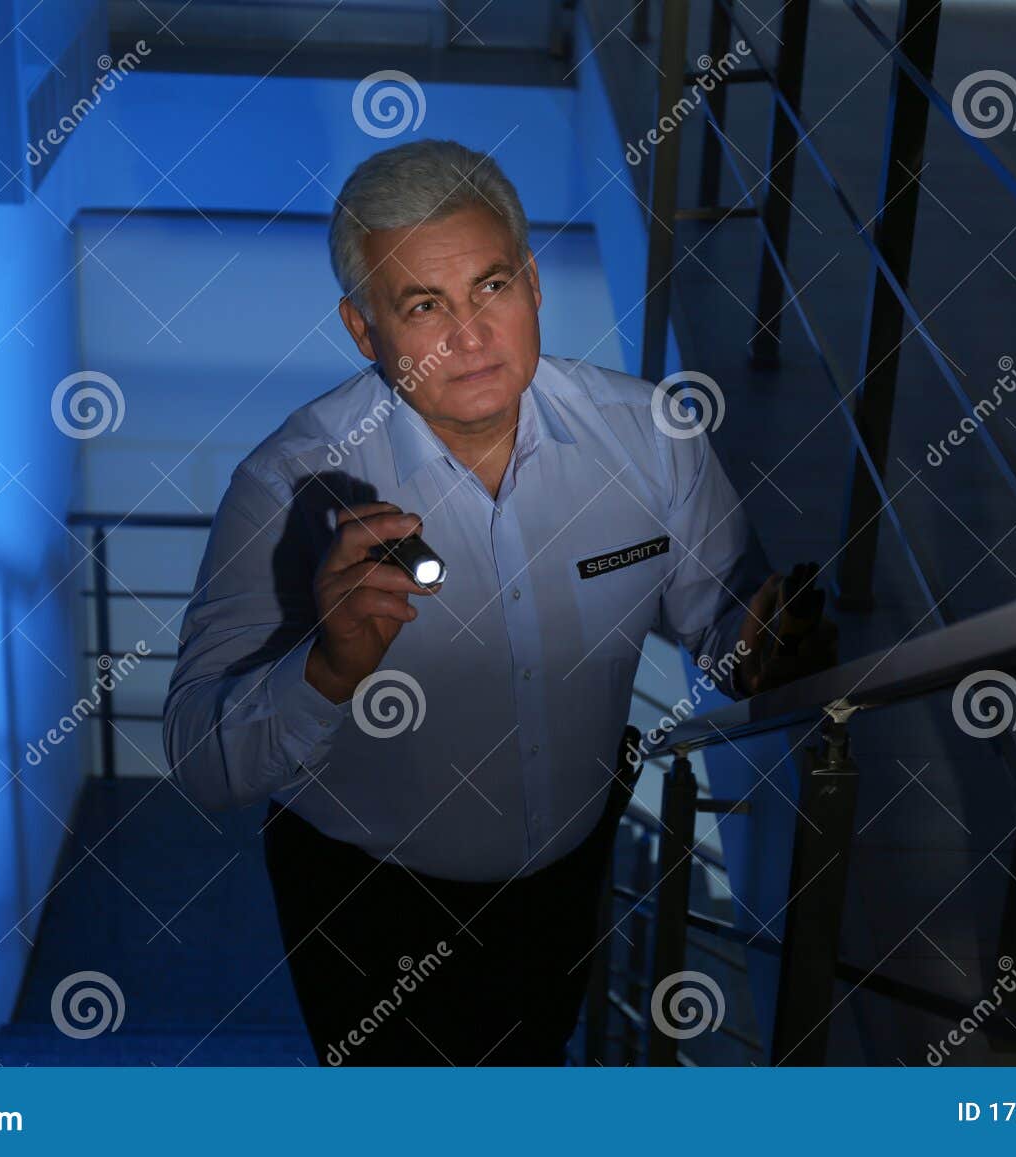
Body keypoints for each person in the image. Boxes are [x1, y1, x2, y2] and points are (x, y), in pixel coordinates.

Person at [163, 138, 781, 1065]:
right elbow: (200, 763)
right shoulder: (289, 486)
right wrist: (325, 670)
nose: (470, 334)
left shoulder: (653, 439)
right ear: (365, 332)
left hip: (568, 882)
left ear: (532, 283)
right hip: (367, 905)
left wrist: (756, 649)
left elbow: (720, 624)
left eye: (491, 287)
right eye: (423, 306)